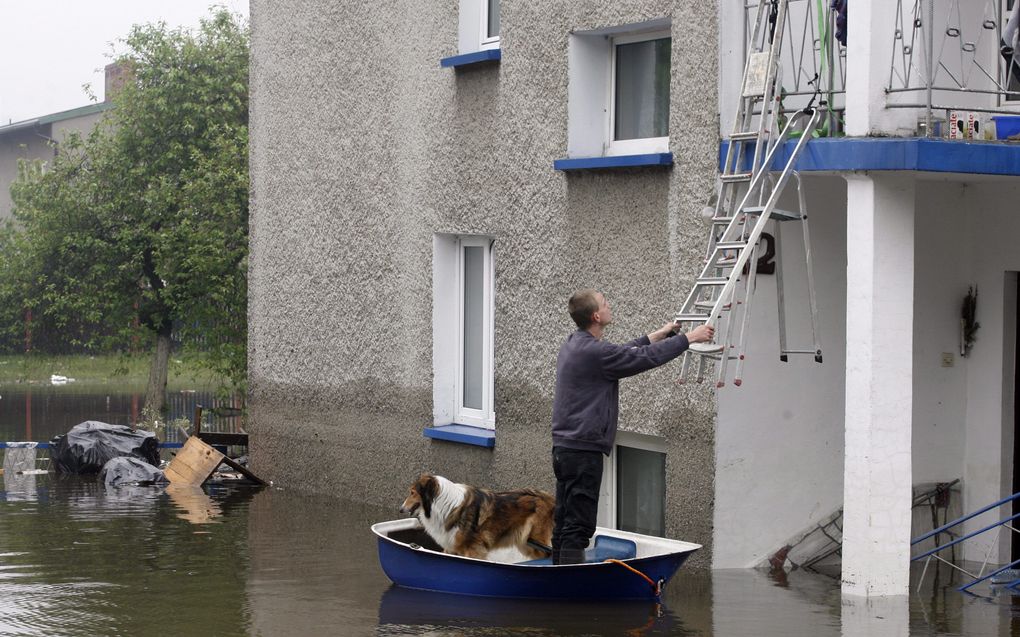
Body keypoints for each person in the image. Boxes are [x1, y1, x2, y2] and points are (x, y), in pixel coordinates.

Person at [550, 289, 715, 565]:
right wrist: (689, 338)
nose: (609, 305)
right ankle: (568, 588)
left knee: (564, 520)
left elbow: (621, 352)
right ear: (596, 316)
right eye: (605, 303)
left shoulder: (574, 343)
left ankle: (554, 578)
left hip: (565, 449)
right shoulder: (595, 352)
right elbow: (642, 359)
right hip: (582, 452)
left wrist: (659, 334)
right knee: (578, 527)